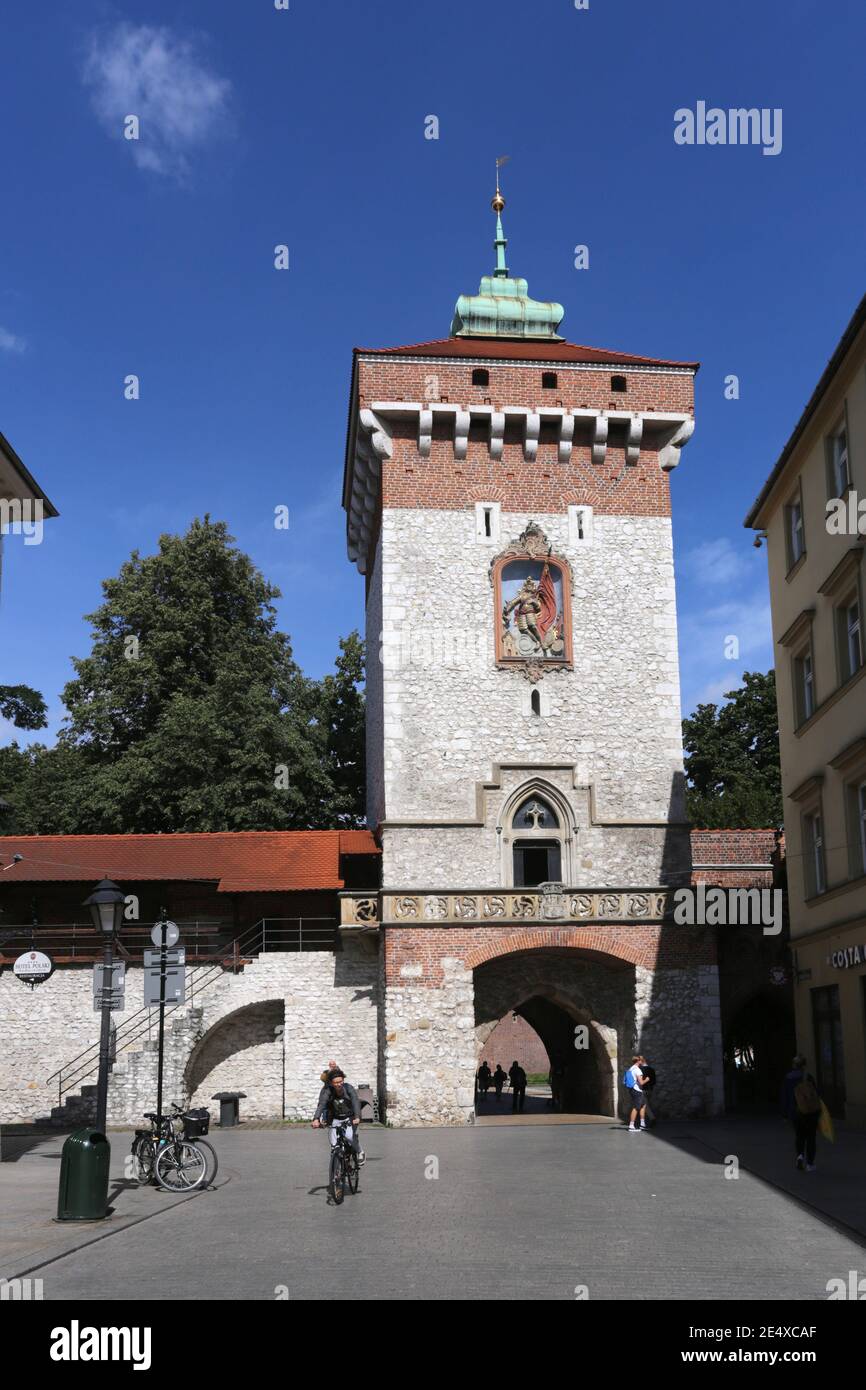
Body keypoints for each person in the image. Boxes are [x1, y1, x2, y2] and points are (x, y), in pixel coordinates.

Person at [312, 1067, 365, 1165]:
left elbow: (355, 1102)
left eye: (340, 1081)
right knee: (333, 1144)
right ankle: (336, 1169)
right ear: (331, 1083)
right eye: (336, 1082)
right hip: (336, 1118)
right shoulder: (328, 1091)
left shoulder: (348, 1088)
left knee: (349, 1136)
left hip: (350, 1117)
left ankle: (360, 1151)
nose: (339, 1084)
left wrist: (357, 1117)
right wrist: (316, 1119)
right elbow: (322, 1104)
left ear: (343, 1080)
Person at [780, 1054, 821, 1172]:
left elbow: (784, 1097)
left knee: (799, 1136)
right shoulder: (808, 1077)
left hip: (795, 1112)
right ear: (804, 1065)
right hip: (810, 1112)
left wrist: (784, 1114)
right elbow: (816, 1094)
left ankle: (800, 1156)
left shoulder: (788, 1078)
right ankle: (810, 1164)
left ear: (794, 1065)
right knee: (811, 1137)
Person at [624, 1054, 647, 1132]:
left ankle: (642, 1124)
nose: (642, 1061)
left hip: (633, 1089)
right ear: (638, 1061)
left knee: (643, 1105)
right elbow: (641, 1083)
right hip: (637, 1090)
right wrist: (647, 1079)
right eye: (641, 1060)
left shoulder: (631, 1068)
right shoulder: (637, 1070)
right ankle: (631, 1126)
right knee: (636, 1107)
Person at [639, 1055, 657, 1126]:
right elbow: (654, 1081)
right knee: (647, 1105)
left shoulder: (640, 1070)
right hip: (650, 1089)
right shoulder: (652, 1069)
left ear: (641, 1062)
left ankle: (652, 1119)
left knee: (645, 1106)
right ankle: (644, 1120)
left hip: (643, 1089)